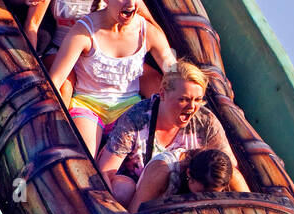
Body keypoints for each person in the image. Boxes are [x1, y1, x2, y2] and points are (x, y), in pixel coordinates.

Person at [47, 0, 175, 154]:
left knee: (139, 160)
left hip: (129, 107)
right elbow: (56, 79)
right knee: (86, 155)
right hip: (88, 104)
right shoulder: (84, 31)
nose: (131, 3)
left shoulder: (147, 32)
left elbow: (174, 73)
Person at [97, 60, 249, 206]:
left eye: (198, 100)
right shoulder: (137, 118)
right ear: (162, 94)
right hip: (137, 189)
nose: (192, 107)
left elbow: (229, 164)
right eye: (183, 99)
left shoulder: (206, 121)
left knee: (233, 176)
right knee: (121, 190)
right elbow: (106, 171)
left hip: (187, 189)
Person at [130, 148, 238, 213]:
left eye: (213, 194)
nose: (205, 200)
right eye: (201, 194)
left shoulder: (224, 175)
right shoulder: (161, 172)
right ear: (188, 174)